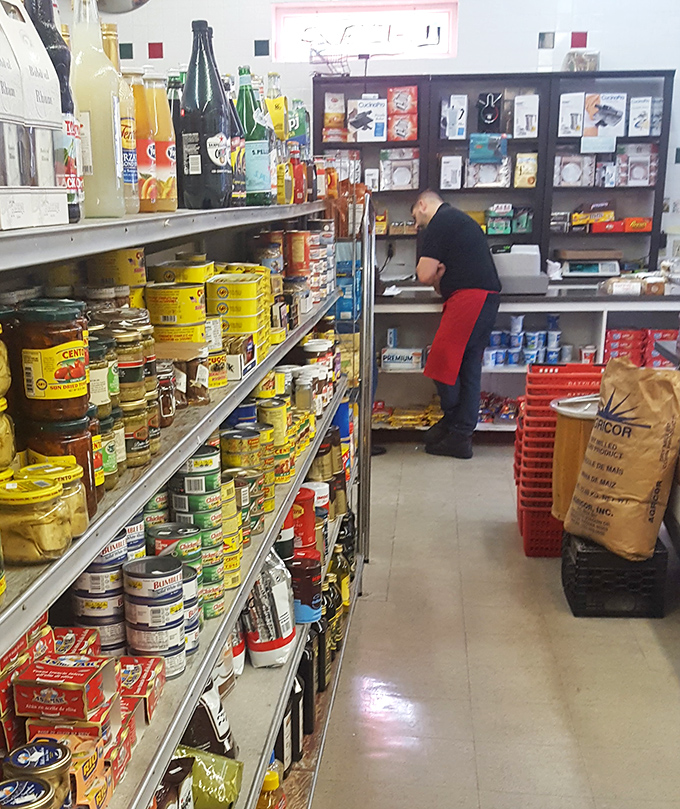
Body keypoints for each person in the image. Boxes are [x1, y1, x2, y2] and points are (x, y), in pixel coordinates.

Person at [412, 190, 501, 459]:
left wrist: (434, 274)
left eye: (415, 217)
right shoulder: (456, 220)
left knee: (441, 364)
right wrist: (438, 277)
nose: (416, 225)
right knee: (468, 368)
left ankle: (456, 428)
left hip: (470, 299)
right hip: (483, 298)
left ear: (422, 205)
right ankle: (459, 431)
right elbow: (438, 283)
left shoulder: (440, 222)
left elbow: (424, 274)